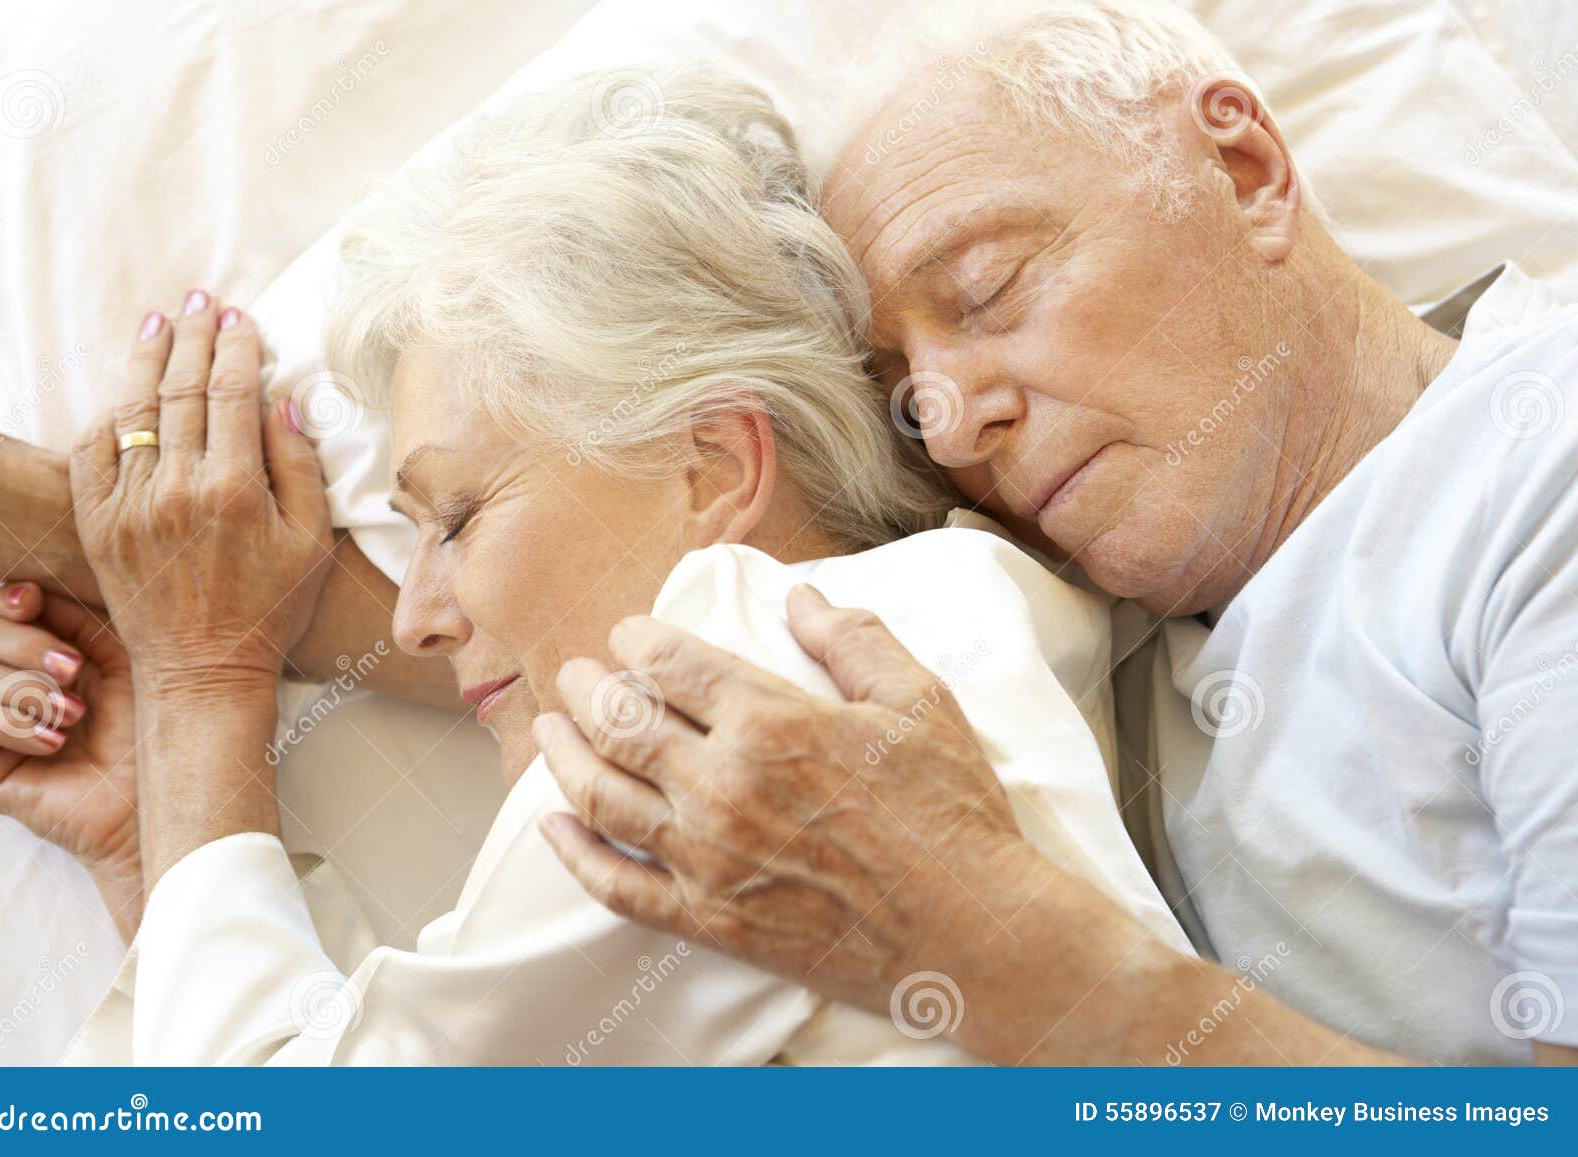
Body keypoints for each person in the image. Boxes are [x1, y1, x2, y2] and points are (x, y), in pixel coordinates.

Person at [0, 67, 1185, 1064]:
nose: (414, 620)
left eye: (454, 515)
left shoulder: (753, 698)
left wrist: (202, 680)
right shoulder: (980, 619)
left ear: (712, 466)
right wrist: (159, 855)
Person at [533, 2, 1578, 1065]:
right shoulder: (1078, 625)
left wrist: (975, 925)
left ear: (1245, 171)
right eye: (900, 392)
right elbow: (568, 577)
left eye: (984, 289)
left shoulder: (1537, 466)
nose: (944, 423)